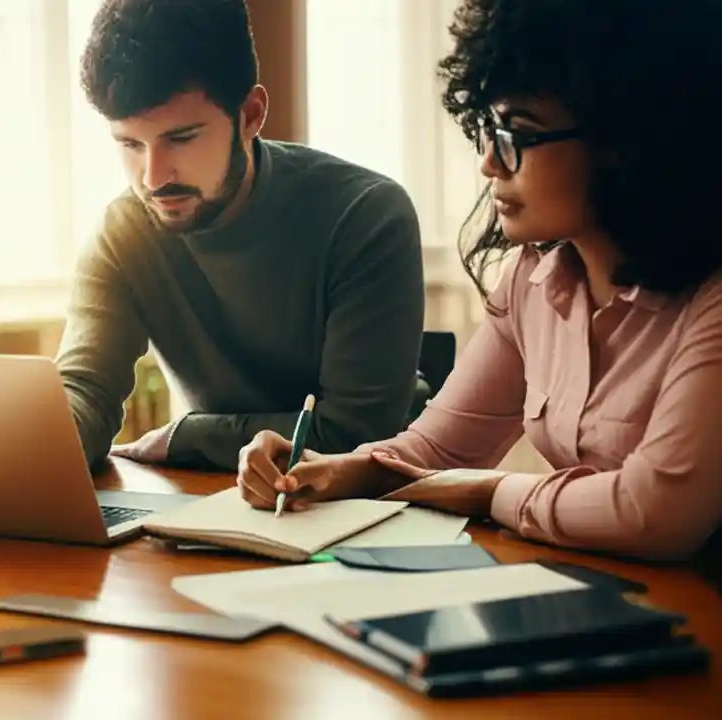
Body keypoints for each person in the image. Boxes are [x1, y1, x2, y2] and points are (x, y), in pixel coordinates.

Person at [237, 0, 722, 561]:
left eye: (518, 132)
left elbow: (655, 513)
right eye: (487, 128)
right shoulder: (532, 278)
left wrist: (491, 491)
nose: (490, 161)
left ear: (622, 140)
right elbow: (438, 449)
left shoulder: (710, 298)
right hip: (604, 598)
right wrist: (330, 471)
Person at [57, 0, 425, 473]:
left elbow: (356, 435)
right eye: (130, 144)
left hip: (373, 502)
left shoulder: (366, 215)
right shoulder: (124, 231)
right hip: (212, 496)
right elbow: (84, 391)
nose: (152, 178)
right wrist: (34, 443)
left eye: (182, 138)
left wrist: (191, 435)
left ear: (251, 115)